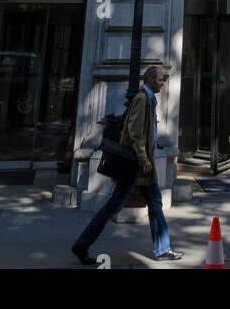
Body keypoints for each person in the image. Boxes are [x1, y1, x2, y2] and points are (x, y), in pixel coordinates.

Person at [72, 65, 182, 264]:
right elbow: (134, 132)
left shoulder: (148, 99)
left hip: (140, 164)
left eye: (163, 79)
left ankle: (162, 248)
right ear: (149, 80)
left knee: (150, 203)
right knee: (120, 205)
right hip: (137, 165)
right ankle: (82, 244)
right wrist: (144, 158)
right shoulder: (142, 100)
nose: (163, 82)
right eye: (160, 79)